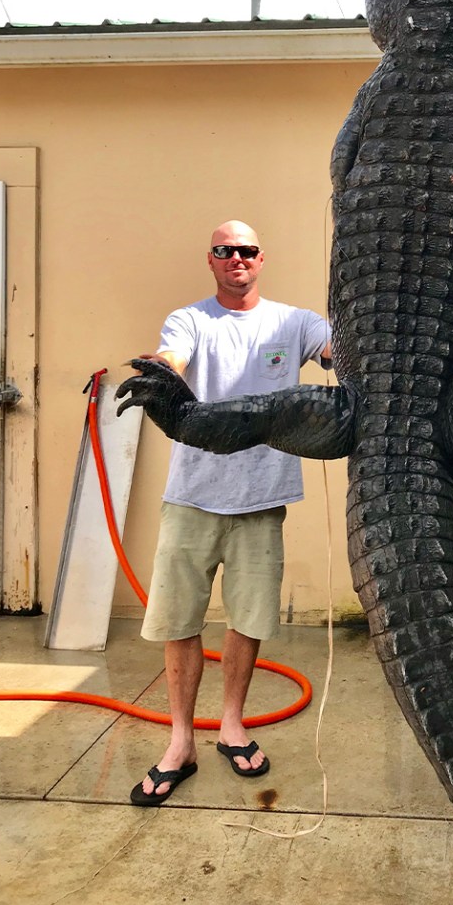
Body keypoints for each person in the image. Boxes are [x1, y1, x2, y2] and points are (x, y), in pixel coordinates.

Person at [130, 219, 331, 807]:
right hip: (192, 494)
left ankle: (234, 724)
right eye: (225, 250)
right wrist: (162, 368)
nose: (236, 258)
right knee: (179, 620)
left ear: (261, 259)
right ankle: (181, 741)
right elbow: (174, 355)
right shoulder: (191, 319)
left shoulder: (292, 321)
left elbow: (334, 347)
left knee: (248, 618)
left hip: (262, 498)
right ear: (212, 260)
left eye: (245, 250)